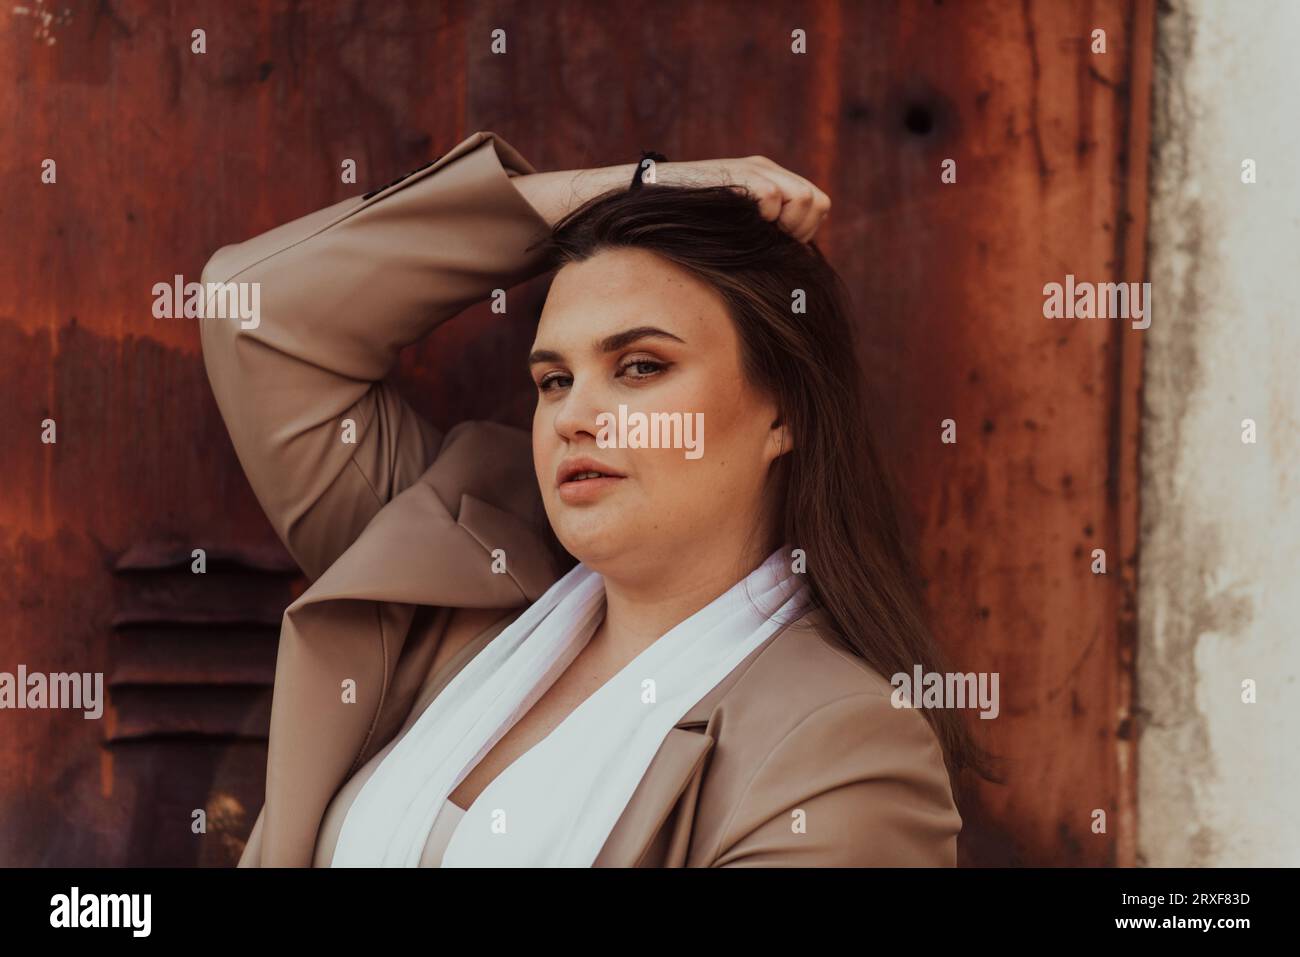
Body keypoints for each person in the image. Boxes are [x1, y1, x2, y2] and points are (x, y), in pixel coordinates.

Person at [199, 130, 987, 867]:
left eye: (640, 366)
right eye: (554, 380)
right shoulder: (452, 574)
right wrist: (635, 188)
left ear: (783, 411)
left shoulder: (842, 746)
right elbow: (254, 304)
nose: (574, 416)